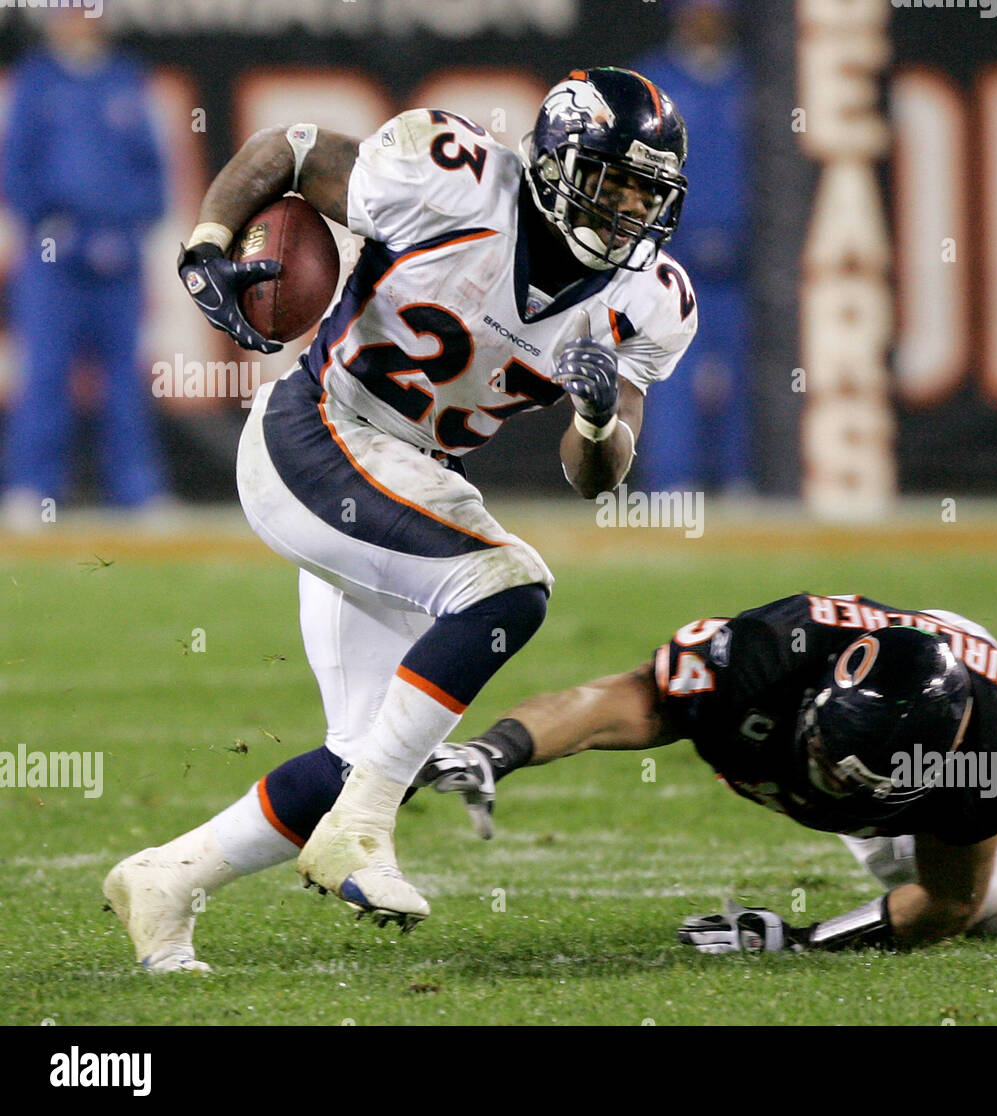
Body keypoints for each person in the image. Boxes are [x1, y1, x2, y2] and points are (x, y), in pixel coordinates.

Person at [102, 68, 698, 971]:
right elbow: (291, 152)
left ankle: (166, 879)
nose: (622, 210)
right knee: (509, 585)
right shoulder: (453, 179)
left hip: (408, 474)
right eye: (608, 180)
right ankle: (361, 832)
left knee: (381, 746)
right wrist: (209, 242)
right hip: (319, 430)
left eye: (641, 193)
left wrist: (598, 416)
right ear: (553, 161)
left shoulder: (650, 297)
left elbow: (596, 479)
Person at [435, 426, 997, 952]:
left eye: (871, 782)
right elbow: (613, 704)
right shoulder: (759, 662)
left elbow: (944, 902)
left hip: (979, 704)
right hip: (914, 684)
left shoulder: (989, 743)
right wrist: (494, 751)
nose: (845, 786)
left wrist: (798, 941)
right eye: (842, 765)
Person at [0, 10, 168, 530]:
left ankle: (138, 491)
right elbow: (15, 169)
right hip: (53, 261)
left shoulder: (125, 80)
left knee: (124, 380)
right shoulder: (35, 81)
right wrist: (54, 230)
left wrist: (125, 230)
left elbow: (152, 172)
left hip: (118, 257)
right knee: (46, 373)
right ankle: (32, 488)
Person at [631, 0, 752, 494]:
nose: (705, 18)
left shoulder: (755, 83)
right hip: (665, 258)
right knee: (666, 377)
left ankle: (741, 481)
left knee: (746, 377)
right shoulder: (651, 82)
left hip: (745, 266)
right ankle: (669, 485)